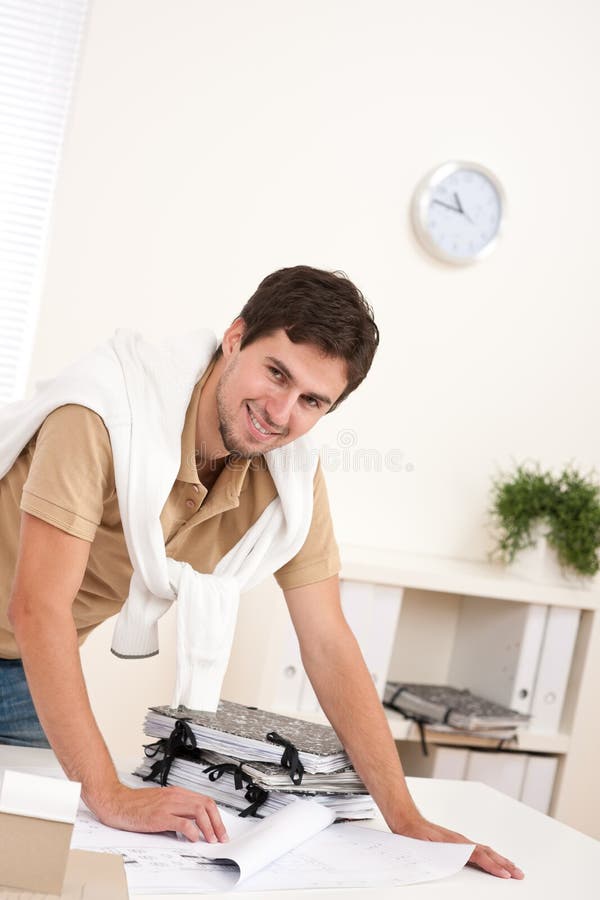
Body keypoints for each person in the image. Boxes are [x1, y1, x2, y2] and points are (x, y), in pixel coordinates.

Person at [0, 265, 523, 879]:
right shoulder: (102, 415)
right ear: (234, 338)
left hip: (21, 671)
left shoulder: (289, 479)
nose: (280, 412)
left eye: (312, 401)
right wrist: (110, 795)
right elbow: (38, 606)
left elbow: (327, 641)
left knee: (24, 869)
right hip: (32, 635)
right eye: (277, 373)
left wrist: (405, 818)